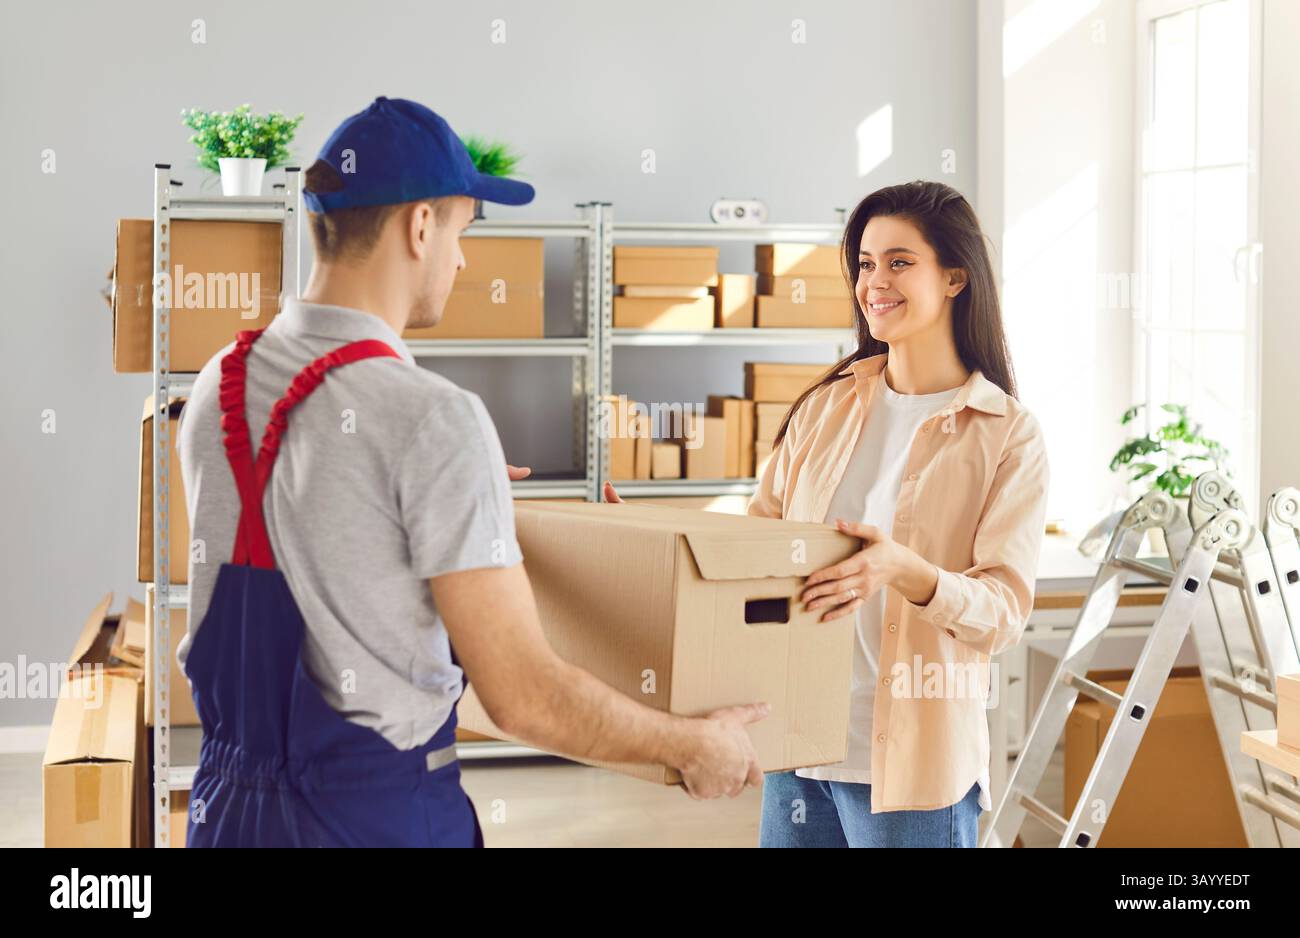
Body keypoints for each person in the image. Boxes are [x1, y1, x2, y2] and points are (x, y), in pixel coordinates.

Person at [176, 96, 766, 848]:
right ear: (420, 225)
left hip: (226, 810)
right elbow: (523, 699)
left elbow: (307, 538)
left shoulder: (218, 380)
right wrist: (692, 744)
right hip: (370, 817)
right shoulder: (430, 417)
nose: (461, 259)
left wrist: (440, 513)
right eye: (461, 229)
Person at [608, 180, 1050, 848]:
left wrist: (906, 570)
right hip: (798, 744)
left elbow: (1003, 614)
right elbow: (756, 553)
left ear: (956, 277)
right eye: (866, 264)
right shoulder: (827, 406)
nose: (875, 281)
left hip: (914, 768)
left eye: (900, 261)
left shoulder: (1006, 434)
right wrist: (655, 539)